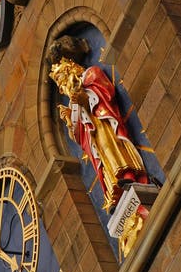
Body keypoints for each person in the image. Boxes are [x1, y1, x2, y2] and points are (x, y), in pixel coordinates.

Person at [49, 56, 147, 211]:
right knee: (103, 158)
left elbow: (107, 92)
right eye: (60, 84)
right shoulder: (72, 103)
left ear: (72, 70)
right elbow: (78, 137)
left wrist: (85, 98)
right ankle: (115, 189)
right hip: (93, 138)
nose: (63, 86)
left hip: (103, 124)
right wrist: (69, 119)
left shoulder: (91, 74)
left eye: (63, 79)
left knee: (110, 146)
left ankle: (128, 174)